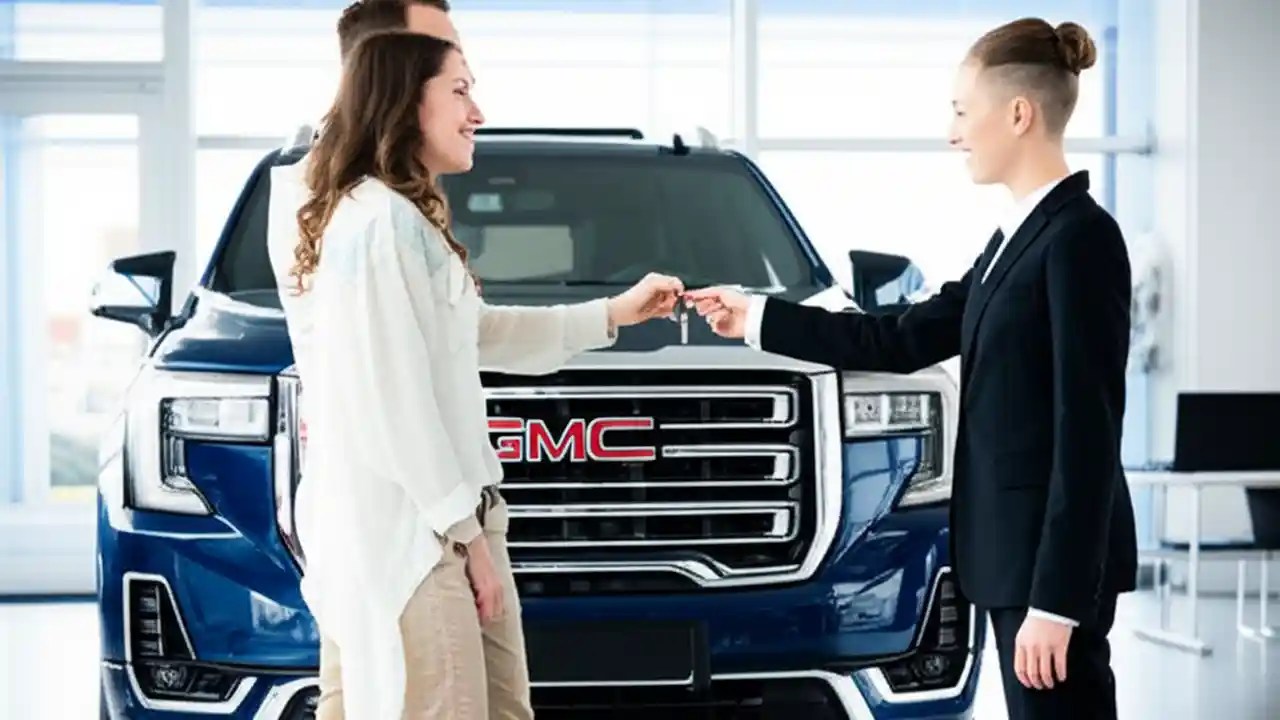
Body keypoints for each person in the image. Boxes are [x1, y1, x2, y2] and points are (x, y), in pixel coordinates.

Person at [686, 17, 1136, 720]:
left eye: (962, 111)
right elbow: (899, 339)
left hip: (1047, 575)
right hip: (1013, 560)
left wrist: (1059, 600)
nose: (953, 133)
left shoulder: (1080, 240)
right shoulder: (1015, 240)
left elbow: (1089, 433)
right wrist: (758, 317)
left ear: (1018, 114)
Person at [264, 30, 683, 720]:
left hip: (443, 520)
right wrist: (466, 541)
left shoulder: (397, 220)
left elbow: (475, 335)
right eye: (460, 89)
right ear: (403, 103)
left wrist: (612, 313)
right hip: (416, 534)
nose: (478, 111)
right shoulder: (376, 227)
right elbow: (395, 403)